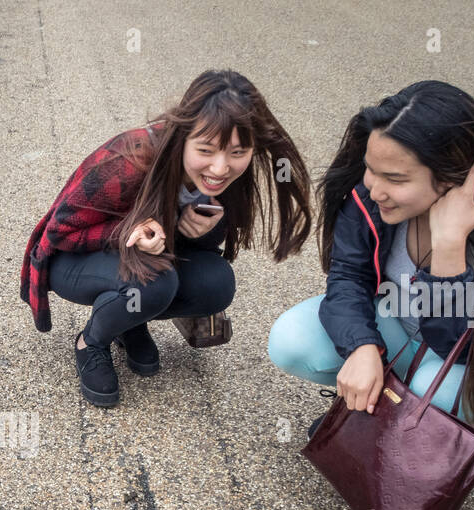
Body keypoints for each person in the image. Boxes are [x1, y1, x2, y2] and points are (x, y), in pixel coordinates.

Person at [268, 80, 474, 435]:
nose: (374, 189)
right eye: (371, 168)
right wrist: (362, 347)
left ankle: (429, 432)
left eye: (395, 178)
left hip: (472, 358)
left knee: (435, 391)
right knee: (292, 340)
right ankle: (383, 409)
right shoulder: (371, 193)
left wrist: (450, 250)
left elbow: (464, 347)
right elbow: (348, 277)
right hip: (397, 325)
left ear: (451, 176)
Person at [21, 70, 313, 407]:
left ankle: (129, 320)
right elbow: (58, 233)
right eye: (206, 150)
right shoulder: (129, 159)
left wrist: (203, 227)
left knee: (216, 284)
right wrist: (127, 231)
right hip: (70, 260)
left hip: (134, 260)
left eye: (236, 153)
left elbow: (195, 251)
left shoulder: (226, 180)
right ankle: (91, 341)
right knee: (155, 281)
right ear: (182, 135)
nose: (220, 168)